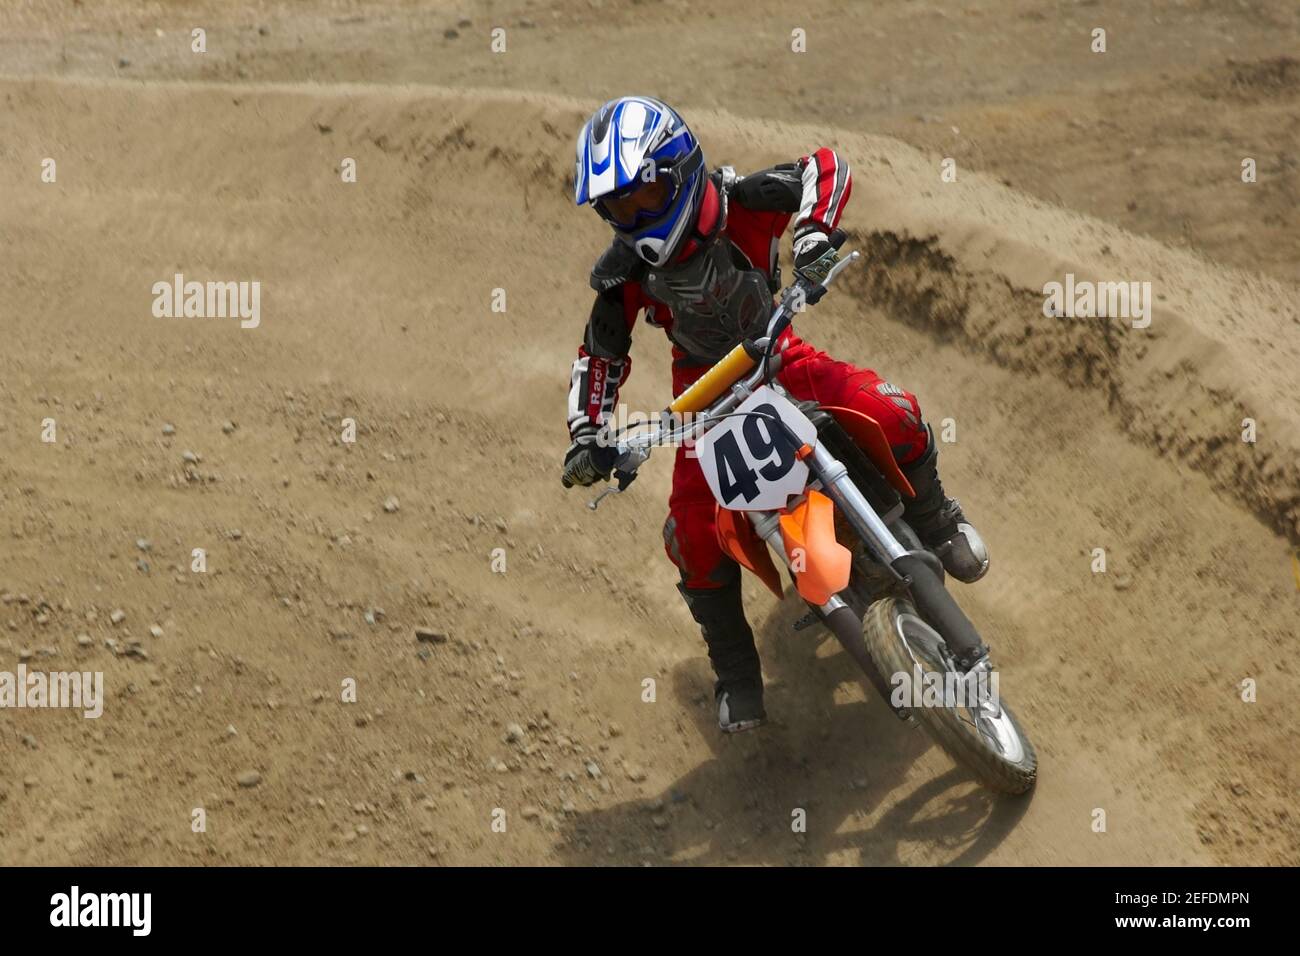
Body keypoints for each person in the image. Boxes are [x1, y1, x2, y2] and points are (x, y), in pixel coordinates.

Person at [562, 96, 988, 732]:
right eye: (617, 210)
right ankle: (736, 670)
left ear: (678, 171)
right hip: (700, 390)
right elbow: (600, 353)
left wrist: (813, 231)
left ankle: (936, 517)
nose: (632, 220)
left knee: (889, 409)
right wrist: (588, 433)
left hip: (775, 346)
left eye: (641, 200)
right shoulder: (623, 273)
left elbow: (826, 165)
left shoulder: (742, 201)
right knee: (690, 534)